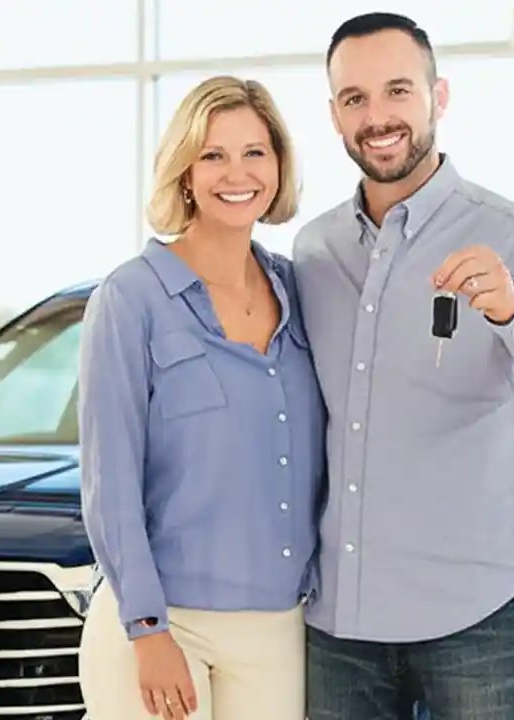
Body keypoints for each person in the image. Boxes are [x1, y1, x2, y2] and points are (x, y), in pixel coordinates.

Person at [291, 12, 514, 720]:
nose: (378, 117)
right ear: (335, 115)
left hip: (478, 622)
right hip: (339, 628)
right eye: (355, 99)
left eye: (397, 91)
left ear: (439, 97)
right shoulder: (312, 254)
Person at [76, 75, 325, 720]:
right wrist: (147, 628)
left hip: (278, 628)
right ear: (185, 172)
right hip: (165, 626)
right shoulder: (130, 299)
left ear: (278, 166)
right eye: (212, 155)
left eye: (254, 152)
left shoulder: (302, 294)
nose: (235, 173)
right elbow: (111, 481)